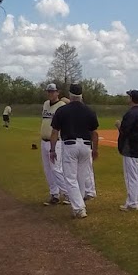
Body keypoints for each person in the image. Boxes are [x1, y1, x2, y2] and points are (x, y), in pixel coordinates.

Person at [48, 82, 100, 219]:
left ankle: (79, 208)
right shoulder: (89, 110)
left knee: (70, 178)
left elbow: (54, 132)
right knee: (81, 178)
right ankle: (80, 204)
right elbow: (94, 133)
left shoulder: (62, 110)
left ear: (70, 95)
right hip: (85, 146)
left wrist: (52, 150)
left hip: (70, 145)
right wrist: (95, 149)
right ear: (81, 95)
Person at [117, 89, 138, 210]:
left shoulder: (130, 113)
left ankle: (132, 203)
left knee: (131, 176)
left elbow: (125, 131)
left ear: (132, 98)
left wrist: (118, 126)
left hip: (130, 148)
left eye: (129, 96)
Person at [39, 81, 69, 205]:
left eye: (53, 91)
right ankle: (54, 194)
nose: (50, 94)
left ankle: (68, 193)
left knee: (56, 169)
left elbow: (74, 106)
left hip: (56, 142)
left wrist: (68, 101)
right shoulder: (46, 104)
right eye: (49, 91)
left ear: (58, 92)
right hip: (44, 140)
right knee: (48, 170)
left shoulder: (62, 105)